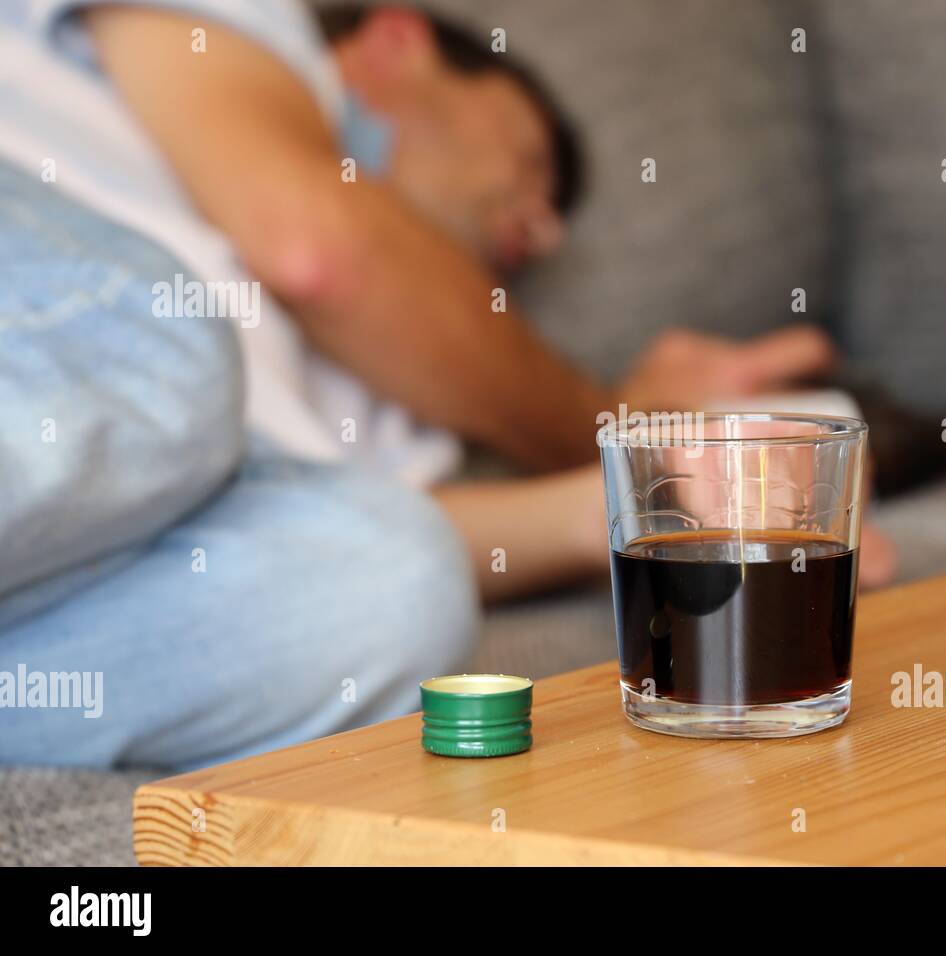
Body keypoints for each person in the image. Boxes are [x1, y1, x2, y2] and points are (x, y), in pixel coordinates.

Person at [0, 0, 892, 770]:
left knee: (391, 587)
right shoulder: (252, 33)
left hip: (54, 556)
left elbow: (402, 521)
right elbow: (316, 248)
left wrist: (646, 493)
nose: (542, 233)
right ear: (398, 45)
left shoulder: (398, 420)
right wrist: (615, 420)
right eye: (534, 164)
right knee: (170, 356)